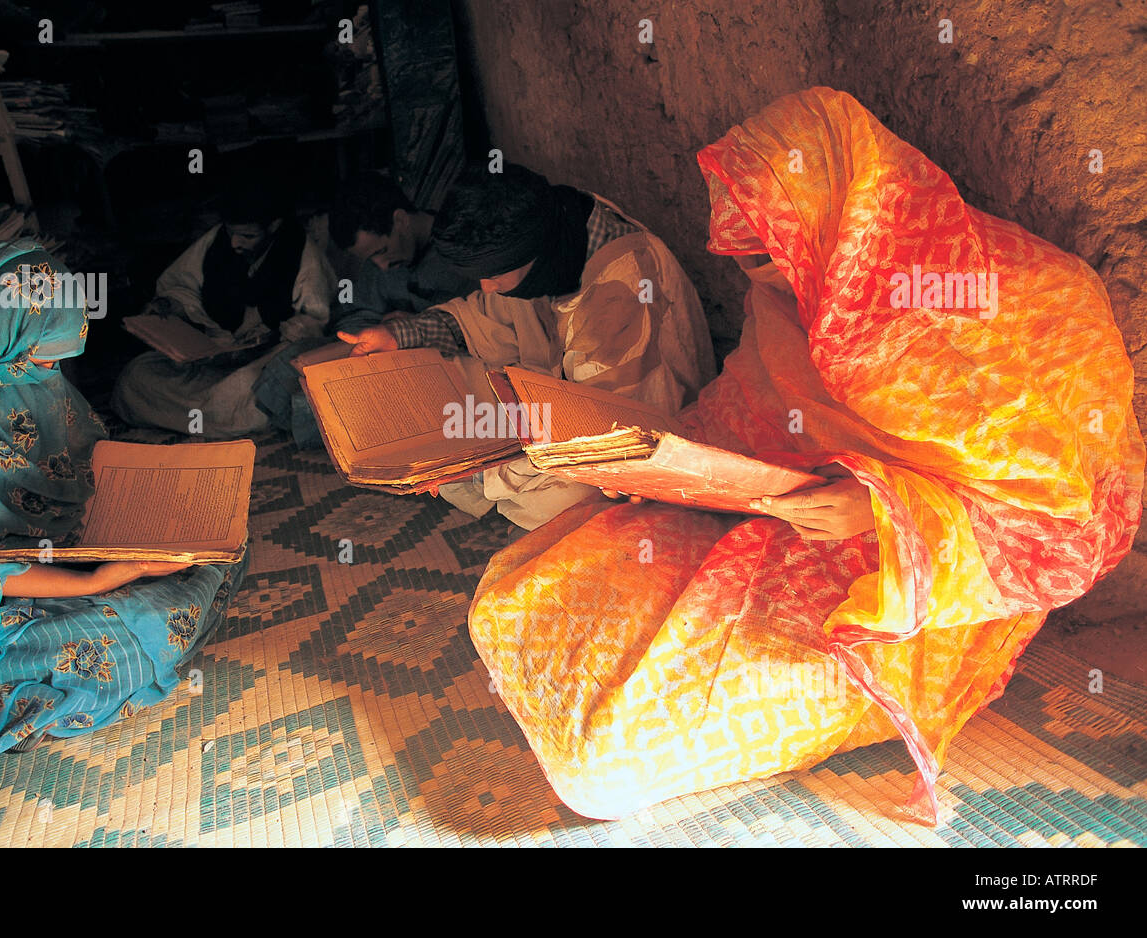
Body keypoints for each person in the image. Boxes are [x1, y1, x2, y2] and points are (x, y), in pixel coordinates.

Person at [465, 88, 1145, 823]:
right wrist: (652, 466)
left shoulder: (1030, 298)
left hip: (905, 595)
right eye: (750, 261)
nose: (771, 279)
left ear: (846, 213)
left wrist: (882, 512)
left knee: (604, 759)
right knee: (520, 598)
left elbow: (1070, 533)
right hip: (790, 516)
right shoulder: (790, 297)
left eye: (772, 255)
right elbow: (745, 411)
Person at [0, 241, 246, 841]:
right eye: (35, 360)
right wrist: (95, 578)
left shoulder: (11, 371)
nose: (47, 377)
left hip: (44, 562)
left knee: (209, 554)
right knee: (124, 632)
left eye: (56, 360)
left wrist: (144, 500)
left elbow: (80, 463)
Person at [338, 162, 717, 530]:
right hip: (555, 398)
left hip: (625, 424)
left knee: (564, 498)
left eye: (493, 274)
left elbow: (618, 441)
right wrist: (399, 336)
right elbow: (482, 319)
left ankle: (492, 484)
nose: (487, 286)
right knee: (439, 382)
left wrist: (487, 467)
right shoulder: (546, 240)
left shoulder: (623, 288)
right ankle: (490, 477)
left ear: (532, 254)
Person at [252, 172, 477, 446]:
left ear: (400, 220)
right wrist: (372, 333)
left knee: (346, 398)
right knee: (296, 358)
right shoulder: (378, 263)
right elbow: (358, 313)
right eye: (371, 259)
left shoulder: (460, 251)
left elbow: (475, 325)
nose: (380, 265)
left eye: (381, 252)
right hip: (382, 353)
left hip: (439, 361)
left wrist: (413, 325)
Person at [111, 183, 333, 439]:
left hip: (264, 359)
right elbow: (182, 286)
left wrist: (278, 333)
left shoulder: (301, 251)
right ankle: (211, 415)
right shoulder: (218, 241)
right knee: (135, 376)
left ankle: (211, 413)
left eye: (248, 236)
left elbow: (315, 321)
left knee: (248, 392)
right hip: (211, 353)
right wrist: (168, 306)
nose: (236, 242)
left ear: (273, 227)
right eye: (231, 233)